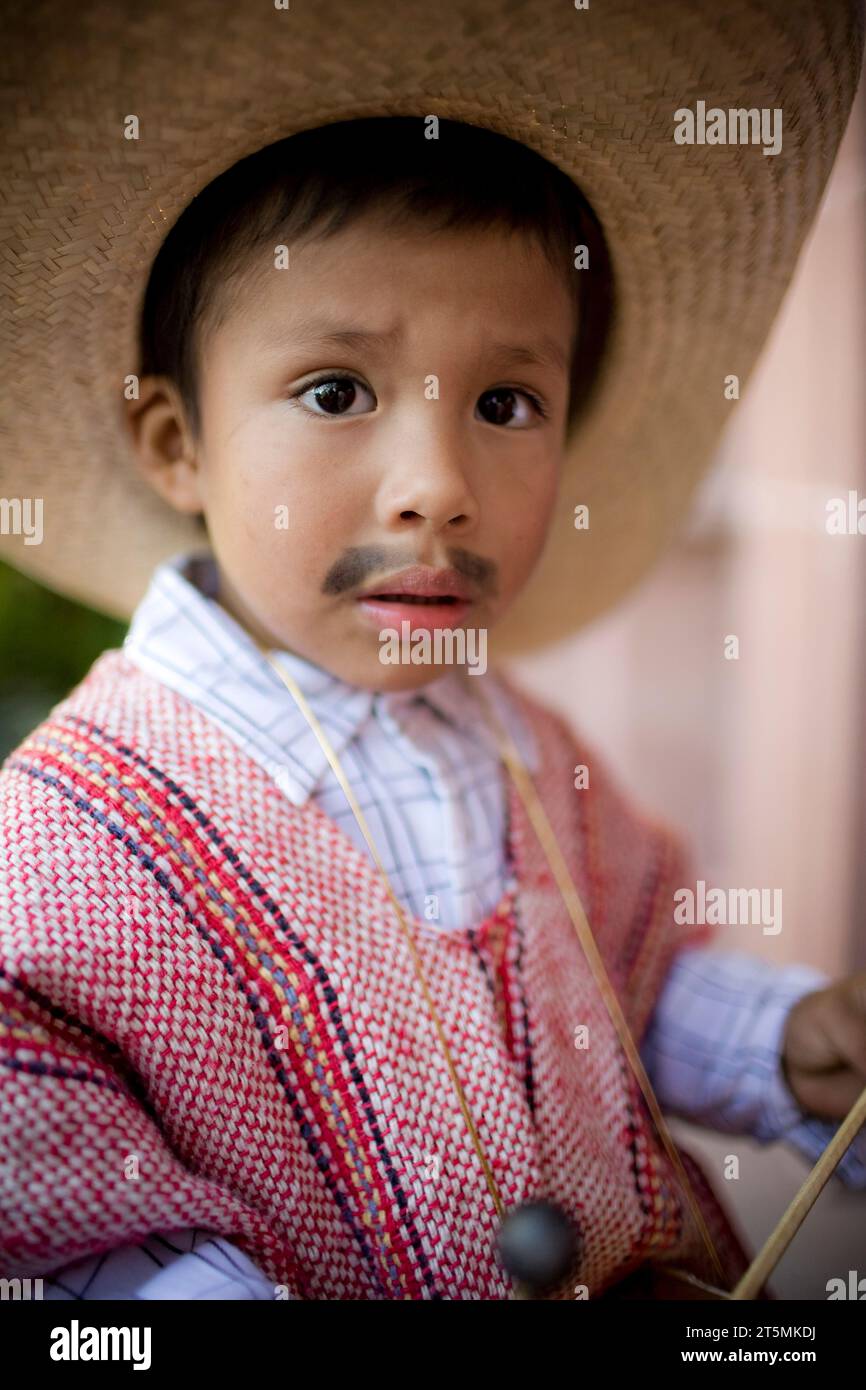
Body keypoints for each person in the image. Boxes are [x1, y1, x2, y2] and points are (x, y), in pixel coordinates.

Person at [1, 0, 864, 1301]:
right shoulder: (60, 853)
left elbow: (627, 987)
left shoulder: (523, 748)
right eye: (336, 390)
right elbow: (70, 1214)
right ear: (177, 444)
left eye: (505, 403)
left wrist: (781, 1041)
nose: (436, 486)